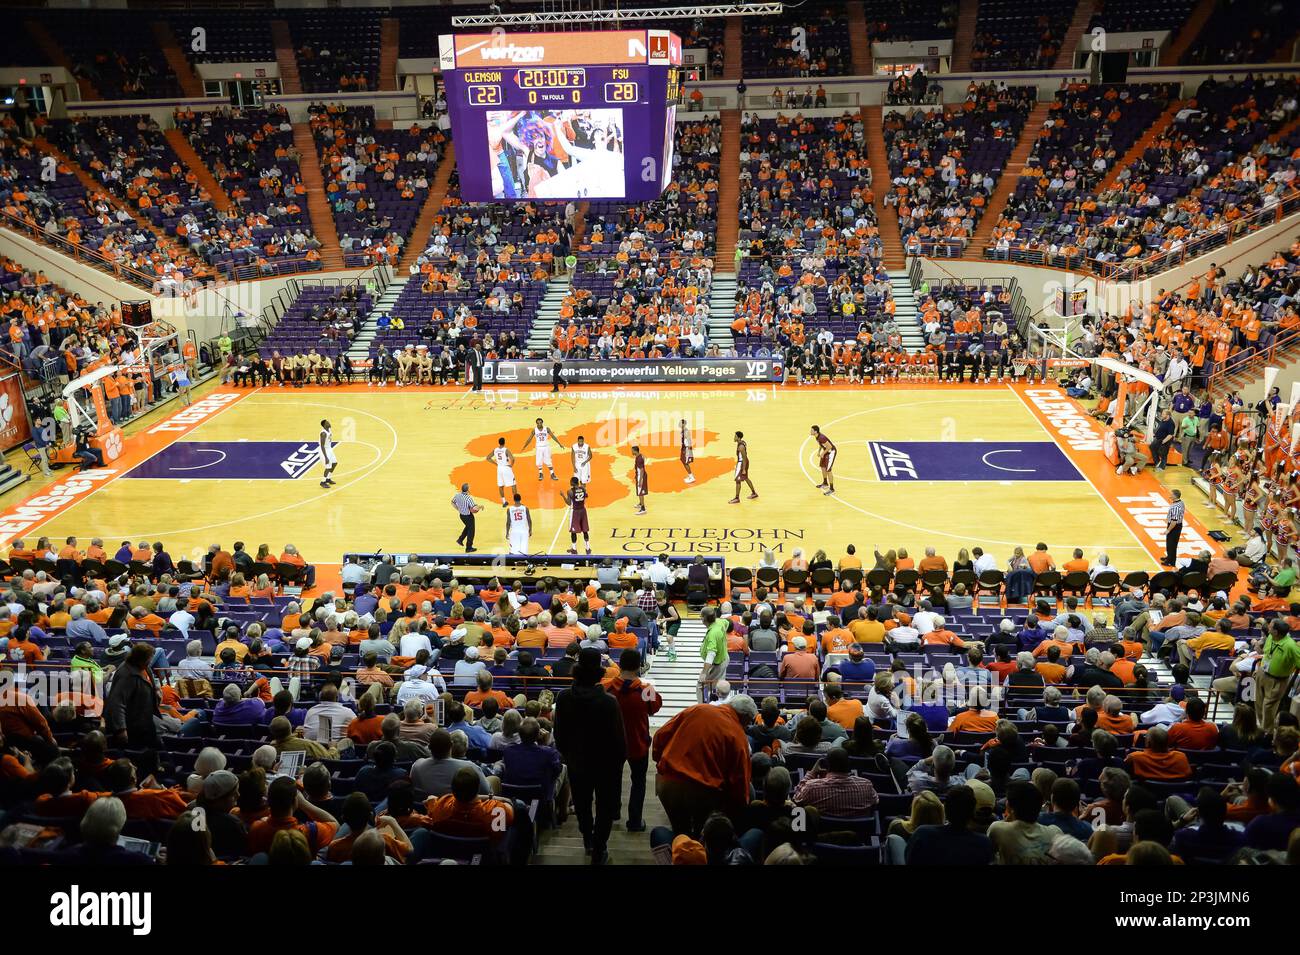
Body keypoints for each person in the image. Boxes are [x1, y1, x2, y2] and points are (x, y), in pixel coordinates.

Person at [553, 648, 626, 864]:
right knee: (605, 807)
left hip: (577, 764)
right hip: (605, 766)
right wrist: (617, 765)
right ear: (599, 673)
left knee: (583, 805)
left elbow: (559, 734)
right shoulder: (609, 702)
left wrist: (569, 756)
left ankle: (588, 839)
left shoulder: (564, 697)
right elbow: (619, 740)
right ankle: (599, 847)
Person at [605, 649, 661, 832]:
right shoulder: (646, 690)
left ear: (619, 664)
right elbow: (654, 709)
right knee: (638, 782)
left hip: (612, 743)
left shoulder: (607, 688)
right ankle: (635, 820)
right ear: (639, 667)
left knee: (612, 779)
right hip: (638, 742)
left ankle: (613, 812)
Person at [1257, 620, 1300, 731]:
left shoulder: (1291, 646)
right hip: (1262, 674)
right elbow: (1267, 653)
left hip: (1277, 680)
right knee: (1259, 703)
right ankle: (1261, 727)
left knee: (1268, 707)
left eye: (1270, 627)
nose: (1268, 628)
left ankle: (1267, 732)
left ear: (1276, 632)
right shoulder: (1271, 637)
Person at [520, 417, 563, 482]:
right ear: (536, 424)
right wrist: (524, 446)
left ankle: (552, 474)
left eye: (540, 423)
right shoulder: (534, 430)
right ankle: (541, 474)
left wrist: (559, 443)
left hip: (546, 447)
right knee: (539, 462)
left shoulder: (547, 429)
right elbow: (529, 439)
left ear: (542, 423)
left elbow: (553, 436)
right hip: (539, 447)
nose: (539, 424)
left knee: (548, 461)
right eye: (538, 423)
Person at [563, 477, 591, 555]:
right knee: (585, 530)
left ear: (572, 483)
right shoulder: (583, 488)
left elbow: (568, 503)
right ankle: (588, 548)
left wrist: (562, 496)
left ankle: (574, 549)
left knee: (573, 531)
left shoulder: (570, 492)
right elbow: (586, 495)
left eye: (570, 482)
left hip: (575, 512)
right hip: (583, 511)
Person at [729, 430, 758, 504]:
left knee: (738, 480)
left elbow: (744, 457)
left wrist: (744, 469)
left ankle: (737, 498)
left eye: (735, 436)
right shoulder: (741, 442)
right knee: (746, 478)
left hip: (742, 463)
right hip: (743, 462)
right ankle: (754, 493)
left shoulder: (741, 446)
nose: (734, 437)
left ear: (738, 438)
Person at [452, 483, 481, 553]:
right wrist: (480, 507)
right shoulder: (468, 498)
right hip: (468, 516)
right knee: (471, 532)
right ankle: (468, 548)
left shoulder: (457, 495)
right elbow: (474, 508)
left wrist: (458, 509)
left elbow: (452, 502)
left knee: (468, 527)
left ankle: (460, 539)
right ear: (468, 490)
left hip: (461, 516)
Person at [488, 437, 516, 507]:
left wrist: (496, 464)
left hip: (499, 468)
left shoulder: (495, 450)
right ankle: (516, 502)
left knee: (501, 486)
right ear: (504, 442)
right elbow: (512, 459)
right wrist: (511, 465)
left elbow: (488, 458)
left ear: (499, 442)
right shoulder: (506, 450)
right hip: (506, 468)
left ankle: (504, 502)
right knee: (513, 484)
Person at [811, 425, 837, 495]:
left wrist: (823, 453)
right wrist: (819, 451)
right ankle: (825, 483)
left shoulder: (821, 437)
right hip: (826, 452)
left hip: (831, 452)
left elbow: (830, 446)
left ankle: (832, 489)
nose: (810, 431)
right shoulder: (817, 437)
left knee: (828, 470)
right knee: (822, 467)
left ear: (815, 431)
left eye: (812, 430)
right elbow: (821, 444)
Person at [1163, 489, 1185, 567]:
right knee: (1170, 543)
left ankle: (1171, 561)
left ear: (1175, 496)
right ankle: (1169, 557)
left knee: (1171, 544)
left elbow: (1174, 521)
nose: (1170, 495)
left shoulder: (1175, 507)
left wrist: (1168, 530)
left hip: (1175, 526)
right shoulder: (1180, 502)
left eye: (1171, 494)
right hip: (1176, 525)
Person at [318, 419, 337, 489]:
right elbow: (322, 445)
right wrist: (326, 457)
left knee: (334, 463)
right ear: (324, 425)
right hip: (324, 450)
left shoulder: (329, 430)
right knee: (328, 467)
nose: (329, 423)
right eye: (327, 423)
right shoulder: (323, 433)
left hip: (329, 449)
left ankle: (328, 478)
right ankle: (323, 482)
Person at [632, 444, 647, 515]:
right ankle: (641, 504)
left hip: (640, 476)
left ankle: (643, 509)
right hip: (639, 476)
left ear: (635, 451)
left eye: (632, 451)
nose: (631, 452)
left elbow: (642, 470)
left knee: (640, 492)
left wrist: (640, 480)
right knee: (639, 491)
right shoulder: (639, 456)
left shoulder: (639, 459)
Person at [679, 418, 695, 485]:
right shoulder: (682, 431)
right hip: (683, 448)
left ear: (683, 424)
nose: (679, 424)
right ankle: (690, 476)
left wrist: (688, 451)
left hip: (686, 449)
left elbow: (689, 441)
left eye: (680, 423)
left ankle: (691, 477)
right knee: (682, 461)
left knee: (685, 462)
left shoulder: (686, 431)